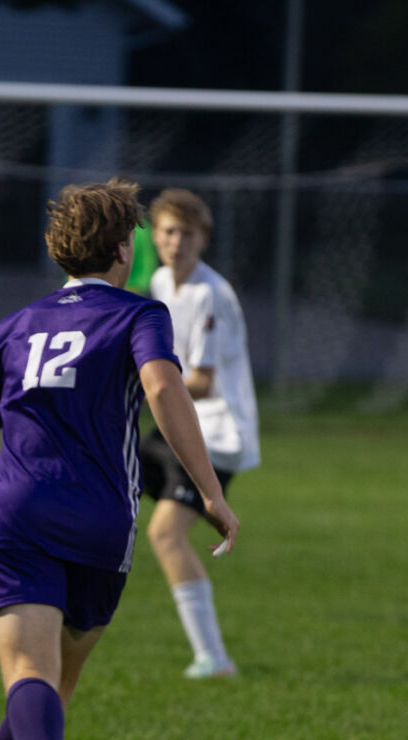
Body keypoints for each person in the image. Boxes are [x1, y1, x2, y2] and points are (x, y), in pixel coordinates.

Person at [0, 179, 240, 740]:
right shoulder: (139, 313)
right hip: (101, 524)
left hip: (18, 514)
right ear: (120, 250)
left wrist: (14, 502)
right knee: (55, 682)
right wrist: (208, 491)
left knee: (27, 680)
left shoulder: (16, 324)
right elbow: (165, 390)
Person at [141, 189, 261, 679]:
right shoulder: (160, 280)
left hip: (216, 433)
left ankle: (213, 658)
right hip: (181, 425)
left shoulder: (210, 292)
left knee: (165, 535)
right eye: (167, 231)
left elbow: (202, 381)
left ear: (203, 239)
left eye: (187, 234)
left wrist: (140, 381)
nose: (176, 242)